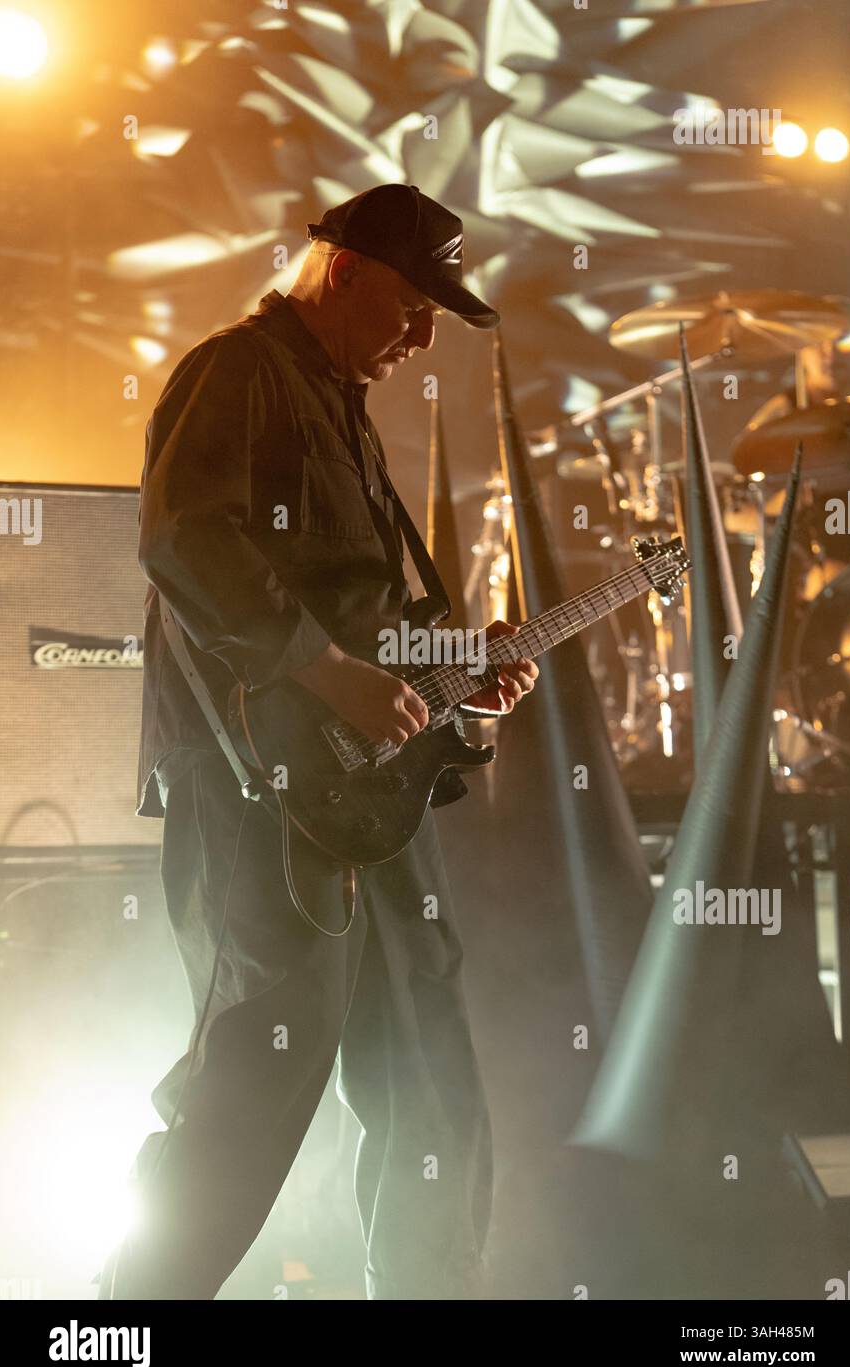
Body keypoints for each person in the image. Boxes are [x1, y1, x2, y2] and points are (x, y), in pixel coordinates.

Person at [100, 183, 538, 1301]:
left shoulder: (338, 403)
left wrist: (455, 678)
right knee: (254, 1075)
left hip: (370, 798)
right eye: (414, 304)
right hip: (258, 792)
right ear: (344, 271)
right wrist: (327, 672)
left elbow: (365, 610)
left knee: (430, 1071)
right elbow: (185, 543)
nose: (423, 334)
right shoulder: (236, 372)